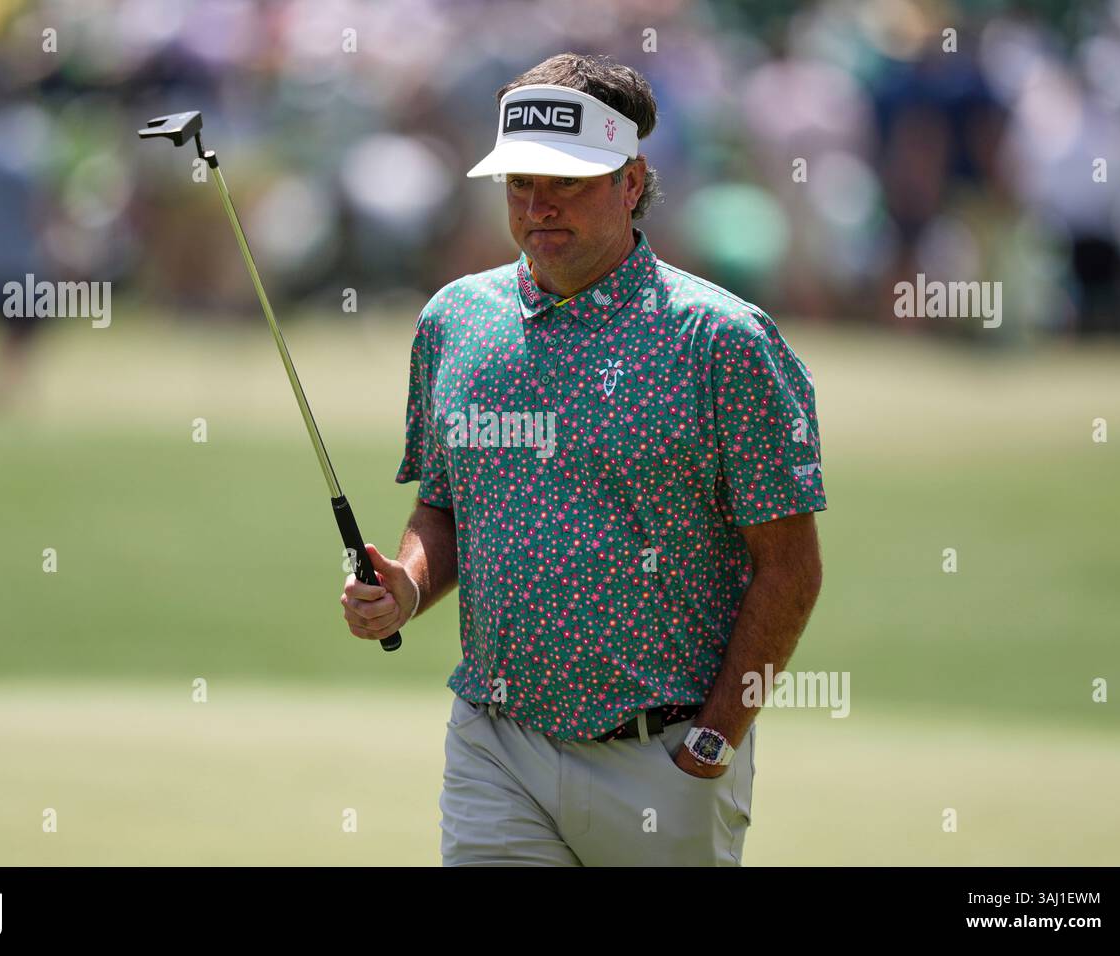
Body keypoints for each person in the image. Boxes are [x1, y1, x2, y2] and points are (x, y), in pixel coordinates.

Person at [340, 53, 826, 866]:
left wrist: (712, 744)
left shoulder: (723, 343)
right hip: (496, 746)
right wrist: (409, 583)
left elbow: (789, 569)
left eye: (567, 183)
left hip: (663, 757)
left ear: (631, 183)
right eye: (520, 184)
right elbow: (447, 506)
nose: (538, 208)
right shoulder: (454, 321)